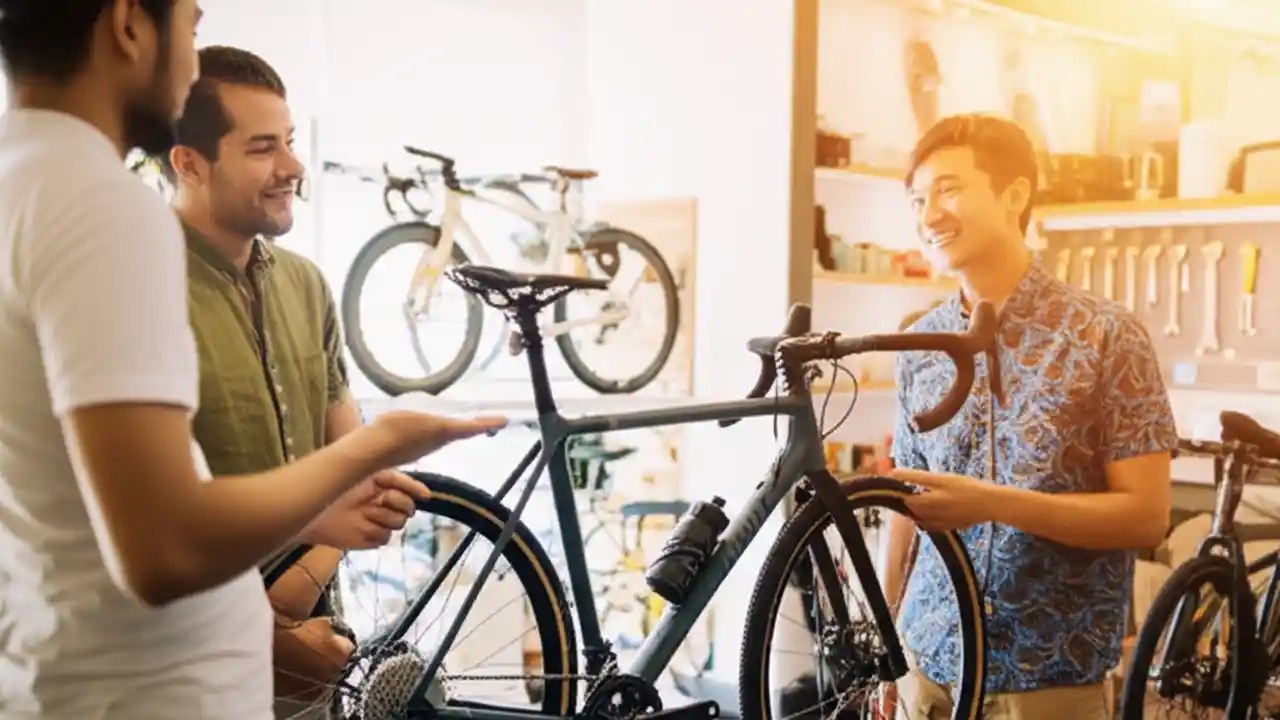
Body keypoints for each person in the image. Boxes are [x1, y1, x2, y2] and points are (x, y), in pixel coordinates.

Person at [0, 3, 503, 718]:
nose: (190, 54)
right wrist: (381, 448)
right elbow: (162, 546)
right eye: (191, 21)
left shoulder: (31, 186)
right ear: (129, 24)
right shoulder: (102, 210)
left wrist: (341, 495)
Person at [883, 113, 1177, 719]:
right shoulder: (920, 344)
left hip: (1047, 686)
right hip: (927, 674)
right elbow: (903, 510)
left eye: (950, 189)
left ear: (1014, 195)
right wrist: (883, 646)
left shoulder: (1105, 336)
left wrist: (995, 503)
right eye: (918, 198)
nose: (929, 214)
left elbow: (1147, 517)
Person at [164, 44, 417, 717]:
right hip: (181, 672)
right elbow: (139, 512)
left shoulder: (307, 284)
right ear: (188, 162)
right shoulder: (134, 288)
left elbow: (354, 471)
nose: (294, 167)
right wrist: (267, 634)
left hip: (310, 660)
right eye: (262, 148)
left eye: (292, 142)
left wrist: (289, 614)